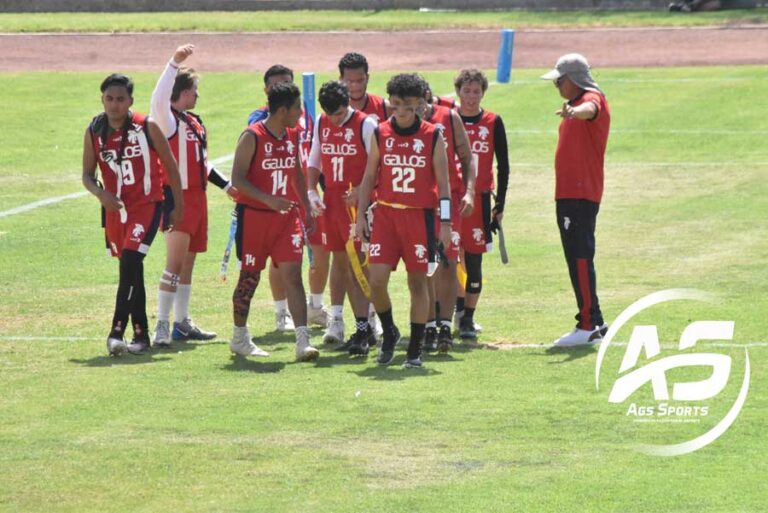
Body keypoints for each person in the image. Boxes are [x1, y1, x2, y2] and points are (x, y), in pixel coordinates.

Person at [82, 73, 183, 356]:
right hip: (115, 211)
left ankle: (116, 331)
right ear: (102, 99)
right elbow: (87, 176)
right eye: (109, 99)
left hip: (148, 205)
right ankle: (141, 334)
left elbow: (171, 166)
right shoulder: (94, 130)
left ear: (131, 102)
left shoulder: (146, 126)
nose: (114, 105)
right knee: (130, 268)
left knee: (130, 260)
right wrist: (101, 195)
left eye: (120, 99)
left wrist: (178, 207)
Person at [355, 73, 452, 368]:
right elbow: (369, 176)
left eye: (407, 105)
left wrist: (445, 225)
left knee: (417, 282)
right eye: (395, 104)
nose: (400, 111)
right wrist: (360, 215)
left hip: (419, 217)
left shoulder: (432, 135)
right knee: (376, 280)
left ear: (420, 104)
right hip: (385, 214)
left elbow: (444, 186)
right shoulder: (380, 132)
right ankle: (389, 331)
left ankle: (416, 347)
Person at [150, 44, 236, 348]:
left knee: (188, 263)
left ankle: (181, 323)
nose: (197, 96)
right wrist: (174, 62)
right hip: (178, 198)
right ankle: (161, 324)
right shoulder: (168, 119)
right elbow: (157, 99)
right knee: (174, 264)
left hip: (198, 199)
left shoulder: (194, 122)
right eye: (194, 91)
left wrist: (226, 185)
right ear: (182, 92)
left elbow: (203, 162)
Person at [229, 81, 320, 362]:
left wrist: (305, 207)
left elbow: (296, 172)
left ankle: (302, 341)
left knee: (292, 275)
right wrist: (268, 200)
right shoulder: (252, 136)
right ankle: (239, 336)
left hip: (286, 219)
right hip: (256, 219)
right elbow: (237, 179)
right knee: (250, 277)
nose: (300, 115)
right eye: (296, 110)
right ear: (282, 110)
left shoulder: (291, 135)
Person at [248, 64, 330, 332]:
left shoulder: (307, 116)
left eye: (285, 83)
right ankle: (281, 312)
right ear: (266, 89)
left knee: (319, 249)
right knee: (280, 260)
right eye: (273, 84)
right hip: (278, 195)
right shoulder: (260, 119)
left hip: (308, 190)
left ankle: (315, 307)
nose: (278, 88)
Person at [541, 53, 610, 347]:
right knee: (577, 257)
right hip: (571, 192)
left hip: (579, 194)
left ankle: (587, 324)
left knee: (580, 257)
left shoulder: (590, 99)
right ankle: (595, 319)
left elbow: (590, 109)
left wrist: (575, 112)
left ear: (574, 79)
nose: (556, 84)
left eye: (560, 79)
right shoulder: (572, 103)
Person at [306, 80, 379, 354]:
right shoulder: (323, 122)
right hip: (333, 202)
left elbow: (379, 166)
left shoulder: (365, 125)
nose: (335, 121)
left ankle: (369, 320)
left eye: (339, 114)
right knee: (338, 260)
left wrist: (361, 190)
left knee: (360, 262)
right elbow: (314, 159)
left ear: (348, 104)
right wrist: (312, 191)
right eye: (331, 115)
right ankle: (336, 320)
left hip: (358, 207)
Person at [418, 79, 476, 353]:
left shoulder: (449, 117)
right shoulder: (398, 122)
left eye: (416, 101)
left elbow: (467, 157)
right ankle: (428, 325)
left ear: (426, 97)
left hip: (449, 199)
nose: (410, 108)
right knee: (424, 264)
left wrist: (470, 192)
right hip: (417, 202)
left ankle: (444, 324)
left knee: (449, 262)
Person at [453, 69, 509, 339]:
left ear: (483, 93)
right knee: (450, 259)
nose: (471, 97)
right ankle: (456, 309)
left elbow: (504, 165)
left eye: (476, 91)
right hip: (451, 199)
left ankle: (467, 319)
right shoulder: (448, 121)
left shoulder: (492, 121)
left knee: (474, 261)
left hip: (480, 200)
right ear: (458, 92)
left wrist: (501, 204)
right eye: (466, 91)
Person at [338, 52, 388, 122]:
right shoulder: (334, 111)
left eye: (359, 80)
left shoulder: (385, 108)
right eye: (350, 81)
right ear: (341, 80)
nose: (355, 86)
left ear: (367, 78)